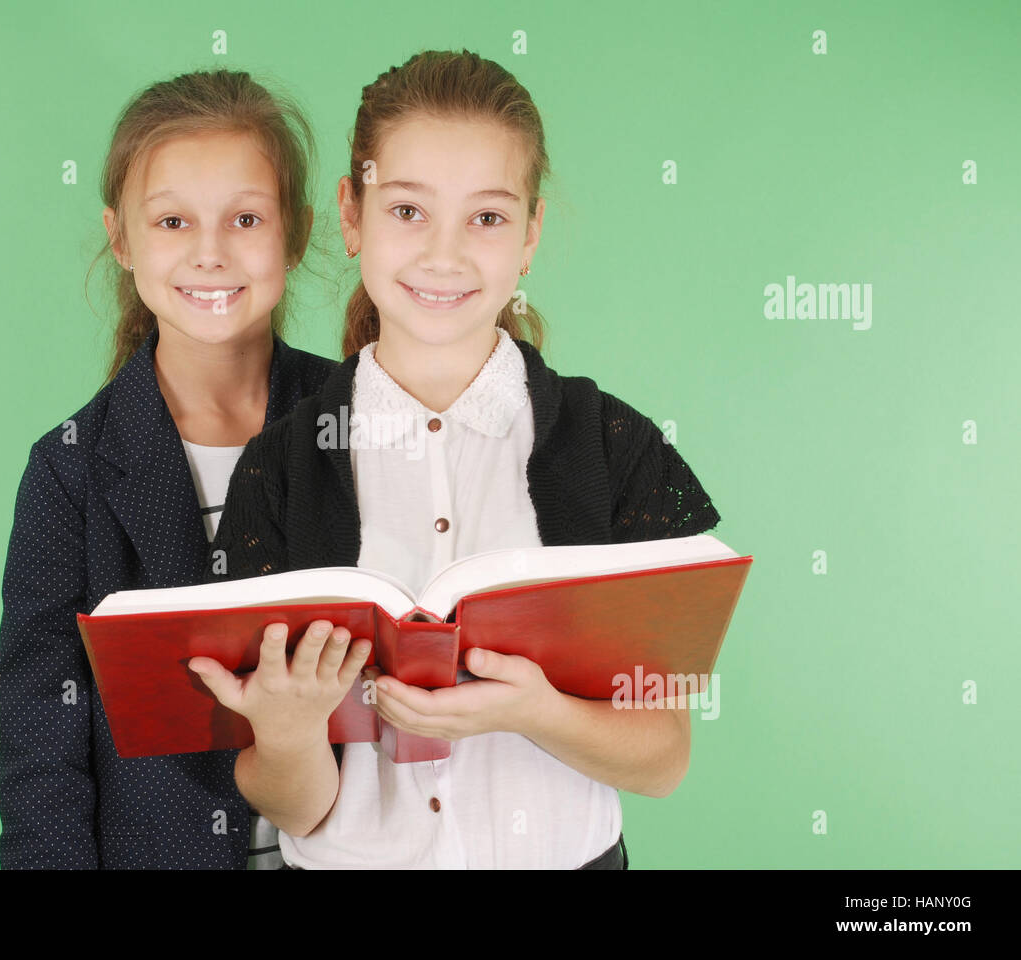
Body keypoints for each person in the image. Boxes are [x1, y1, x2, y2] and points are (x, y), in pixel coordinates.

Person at [190, 50, 722, 869]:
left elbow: (665, 758)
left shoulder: (614, 447)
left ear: (531, 234)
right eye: (407, 210)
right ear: (352, 214)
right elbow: (285, 799)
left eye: (486, 217)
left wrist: (534, 710)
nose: (444, 255)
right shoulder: (283, 468)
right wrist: (290, 733)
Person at [0, 69, 336, 869]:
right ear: (121, 239)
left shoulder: (362, 420)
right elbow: (42, 750)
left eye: (246, 218)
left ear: (295, 232)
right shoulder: (67, 473)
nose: (210, 253)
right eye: (174, 221)